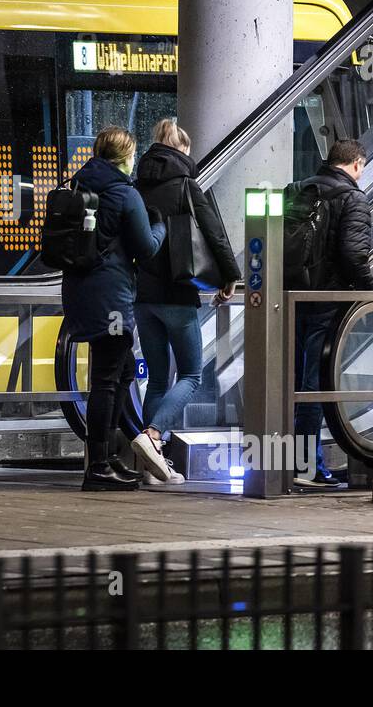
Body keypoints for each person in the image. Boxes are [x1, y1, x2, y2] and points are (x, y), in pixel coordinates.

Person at [61, 126, 172, 491]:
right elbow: (146, 248)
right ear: (127, 156)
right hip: (110, 298)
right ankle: (98, 467)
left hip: (80, 291)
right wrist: (159, 226)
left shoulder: (78, 184)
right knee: (107, 380)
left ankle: (106, 460)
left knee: (122, 373)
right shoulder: (124, 192)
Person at [133, 118, 241, 485]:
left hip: (141, 296)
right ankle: (152, 437)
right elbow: (214, 231)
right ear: (182, 150)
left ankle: (149, 468)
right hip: (177, 293)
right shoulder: (186, 185)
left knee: (159, 378)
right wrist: (230, 276)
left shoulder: (137, 186)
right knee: (192, 374)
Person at [290, 138, 373, 488]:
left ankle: (287, 462)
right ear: (356, 164)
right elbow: (354, 254)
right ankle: (307, 467)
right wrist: (369, 292)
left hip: (290, 297)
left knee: (292, 380)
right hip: (327, 299)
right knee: (314, 382)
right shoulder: (353, 198)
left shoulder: (297, 189)